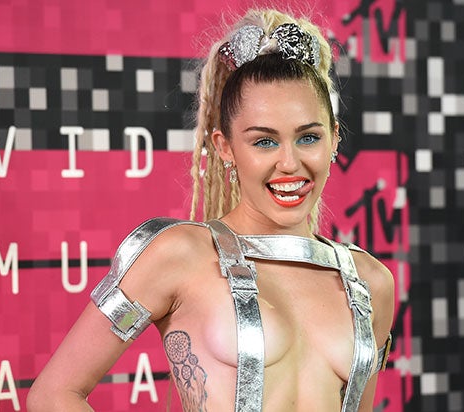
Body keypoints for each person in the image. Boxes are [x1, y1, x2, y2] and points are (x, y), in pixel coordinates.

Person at [27, 8, 394, 412]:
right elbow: (53, 395)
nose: (290, 163)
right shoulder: (180, 255)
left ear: (335, 139)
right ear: (225, 147)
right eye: (264, 142)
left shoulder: (371, 282)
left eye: (308, 137)